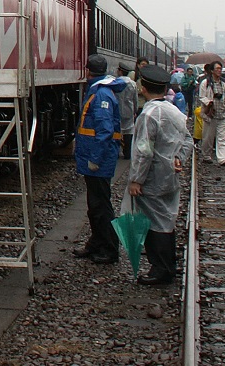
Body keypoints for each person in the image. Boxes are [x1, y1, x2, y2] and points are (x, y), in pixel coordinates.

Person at [125, 65, 191, 285]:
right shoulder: (175, 112)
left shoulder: (149, 115)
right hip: (170, 175)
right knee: (166, 220)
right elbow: (188, 141)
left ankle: (161, 269)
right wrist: (179, 158)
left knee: (156, 223)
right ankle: (168, 266)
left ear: (143, 87)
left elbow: (143, 152)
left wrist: (136, 179)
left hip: (153, 178)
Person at [73, 54, 126, 264]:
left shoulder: (101, 94)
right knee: (95, 204)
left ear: (88, 71)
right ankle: (96, 243)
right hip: (94, 158)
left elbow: (104, 131)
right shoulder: (100, 90)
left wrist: (95, 158)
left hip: (98, 160)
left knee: (101, 205)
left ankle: (109, 249)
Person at [199, 61, 225, 165]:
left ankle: (223, 159)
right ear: (212, 70)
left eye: (220, 68)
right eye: (217, 68)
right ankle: (206, 156)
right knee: (208, 138)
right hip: (210, 115)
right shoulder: (206, 83)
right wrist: (209, 102)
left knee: (222, 138)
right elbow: (202, 96)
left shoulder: (224, 83)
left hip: (222, 114)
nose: (219, 70)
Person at [115, 61, 138, 160]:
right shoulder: (133, 84)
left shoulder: (115, 83)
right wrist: (135, 111)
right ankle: (127, 153)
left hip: (117, 111)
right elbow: (135, 99)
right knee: (128, 132)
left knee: (116, 131)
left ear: (120, 71)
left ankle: (116, 153)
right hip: (129, 110)